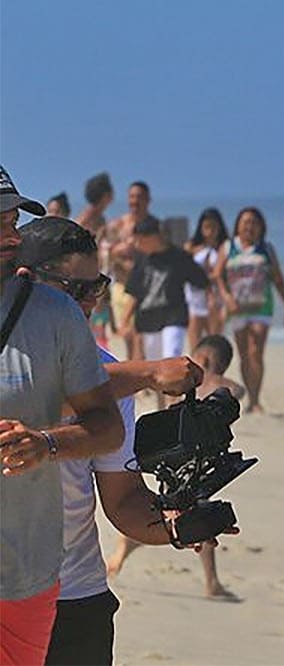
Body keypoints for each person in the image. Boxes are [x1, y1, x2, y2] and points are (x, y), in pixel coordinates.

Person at [15, 216, 213, 665]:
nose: (88, 302)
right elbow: (40, 389)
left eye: (97, 286)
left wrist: (176, 525)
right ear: (26, 281)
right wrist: (147, 372)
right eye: (74, 287)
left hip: (78, 598)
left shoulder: (110, 372)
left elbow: (122, 502)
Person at [0, 166, 123, 666]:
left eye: (13, 221)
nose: (12, 237)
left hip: (24, 578)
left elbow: (106, 427)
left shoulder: (55, 315)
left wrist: (45, 445)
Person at [106, 334, 244, 603]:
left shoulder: (179, 386)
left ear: (201, 358)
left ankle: (120, 554)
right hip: (193, 461)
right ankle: (211, 581)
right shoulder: (222, 386)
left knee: (161, 512)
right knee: (188, 516)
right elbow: (237, 391)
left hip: (171, 459)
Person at [213, 206, 284, 414]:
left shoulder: (266, 249)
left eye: (254, 222)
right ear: (238, 225)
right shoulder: (228, 247)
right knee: (244, 354)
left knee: (256, 350)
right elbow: (217, 275)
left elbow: (277, 278)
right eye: (246, 222)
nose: (249, 226)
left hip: (261, 306)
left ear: (261, 227)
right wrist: (226, 297)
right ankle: (250, 396)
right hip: (237, 307)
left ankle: (256, 399)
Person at [125, 216, 210, 381]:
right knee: (156, 371)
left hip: (174, 318)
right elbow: (134, 293)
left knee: (171, 360)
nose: (137, 244)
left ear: (153, 237)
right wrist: (125, 321)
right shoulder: (142, 260)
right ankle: (163, 404)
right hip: (148, 320)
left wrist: (211, 306)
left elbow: (202, 281)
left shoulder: (179, 257)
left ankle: (174, 403)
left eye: (139, 240)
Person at [101, 181, 153, 363]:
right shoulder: (118, 226)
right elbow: (106, 254)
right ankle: (138, 377)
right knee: (129, 337)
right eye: (132, 196)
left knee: (141, 336)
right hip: (122, 287)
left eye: (139, 197)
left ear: (148, 199)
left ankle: (141, 375)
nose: (135, 201)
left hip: (146, 289)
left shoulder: (154, 228)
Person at [75, 174, 115, 347]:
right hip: (84, 277)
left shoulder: (99, 217)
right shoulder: (88, 218)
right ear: (105, 195)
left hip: (95, 274)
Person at [184, 208, 228, 351]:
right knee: (195, 342)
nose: (210, 231)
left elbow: (221, 273)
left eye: (214, 227)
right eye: (207, 227)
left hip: (215, 299)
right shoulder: (192, 247)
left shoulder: (223, 248)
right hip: (194, 298)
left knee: (213, 342)